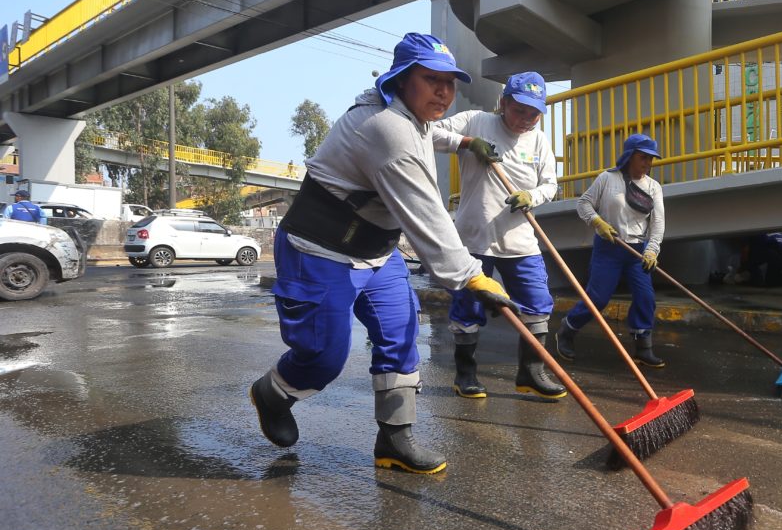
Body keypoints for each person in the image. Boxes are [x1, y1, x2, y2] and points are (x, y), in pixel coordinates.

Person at [249, 32, 516, 476]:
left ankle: (394, 439)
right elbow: (428, 218)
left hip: (377, 251)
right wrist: (470, 276)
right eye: (432, 80)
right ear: (400, 80)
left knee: (399, 333)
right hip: (318, 250)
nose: (443, 93)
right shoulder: (385, 130)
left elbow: (430, 135)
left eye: (449, 83)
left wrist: (465, 143)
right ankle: (273, 393)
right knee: (325, 355)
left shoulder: (412, 118)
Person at [434, 71, 566, 400]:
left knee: (537, 306)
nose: (526, 119)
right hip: (473, 239)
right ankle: (465, 374)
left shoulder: (540, 140)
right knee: (468, 308)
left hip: (520, 242)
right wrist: (466, 143)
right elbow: (426, 134)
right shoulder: (475, 121)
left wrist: (531, 197)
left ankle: (531, 372)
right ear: (504, 102)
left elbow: (550, 185)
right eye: (519, 110)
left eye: (534, 113)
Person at [555, 133, 666, 368]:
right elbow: (583, 203)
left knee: (646, 297)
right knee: (598, 297)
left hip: (638, 251)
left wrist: (652, 251)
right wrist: (597, 222)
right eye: (642, 157)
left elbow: (658, 223)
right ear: (629, 157)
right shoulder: (608, 179)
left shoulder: (653, 187)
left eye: (651, 159)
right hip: (609, 247)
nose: (647, 163)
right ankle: (567, 329)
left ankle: (642, 345)